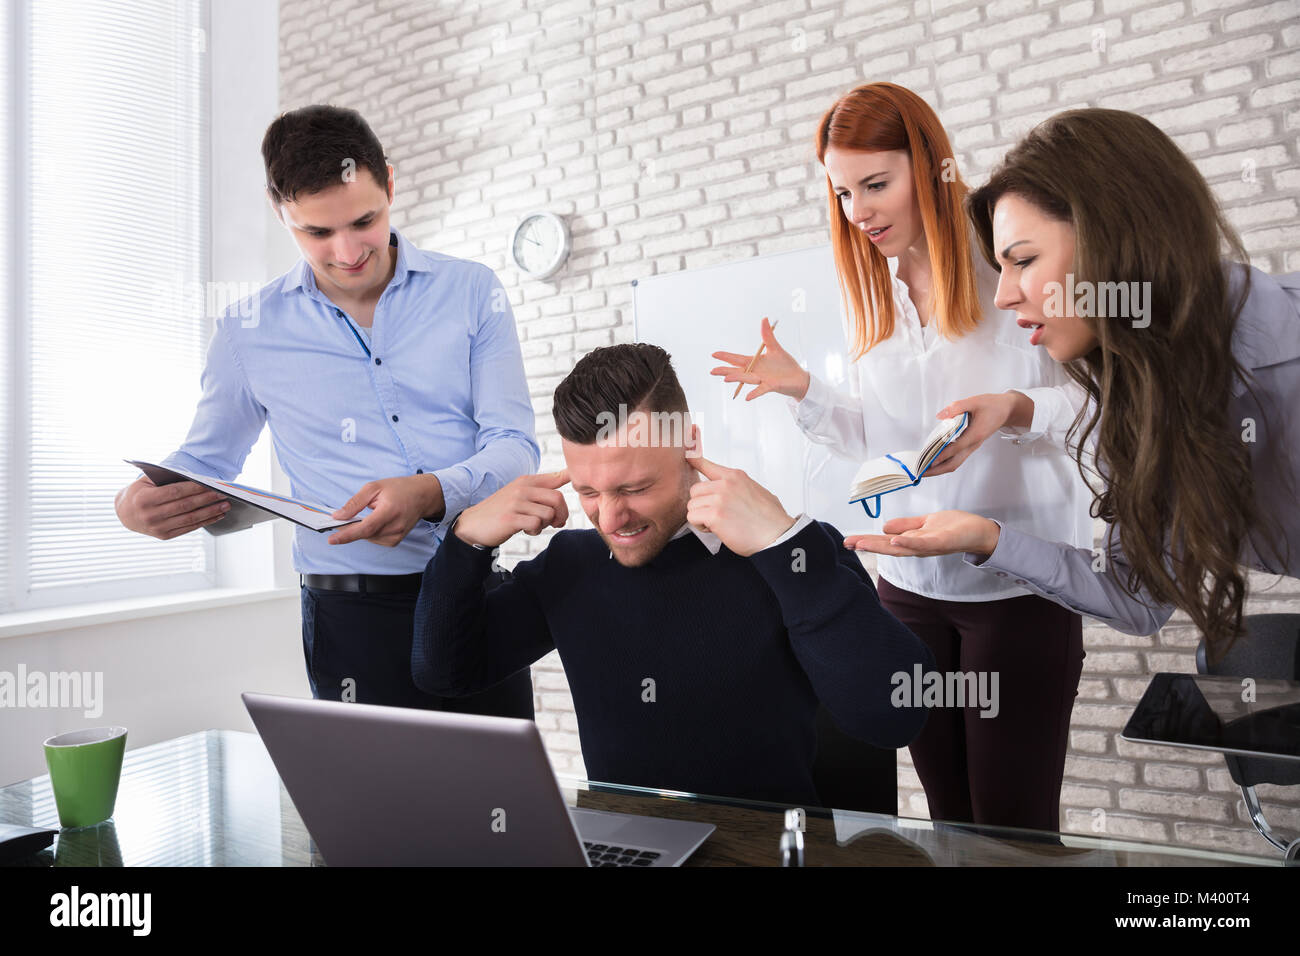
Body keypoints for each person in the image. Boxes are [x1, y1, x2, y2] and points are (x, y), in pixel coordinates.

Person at [710, 83, 1095, 831]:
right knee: (950, 822)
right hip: (909, 590)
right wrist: (804, 390)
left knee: (1013, 832)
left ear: (928, 164)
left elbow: (1099, 410)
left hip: (1015, 589)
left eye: (877, 184)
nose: (860, 212)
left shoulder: (1010, 268)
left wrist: (1012, 412)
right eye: (843, 192)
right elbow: (887, 446)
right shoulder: (875, 293)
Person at [114, 105, 538, 716]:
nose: (346, 252)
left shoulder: (473, 291)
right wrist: (136, 503)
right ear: (281, 214)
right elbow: (204, 461)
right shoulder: (247, 330)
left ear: (389, 184)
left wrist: (430, 492)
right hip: (349, 618)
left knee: (505, 802)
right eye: (316, 233)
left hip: (470, 592)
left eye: (364, 221)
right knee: (375, 809)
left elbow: (514, 444)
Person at [842, 107, 1300, 668]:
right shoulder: (1140, 398)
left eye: (1024, 261)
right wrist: (987, 538)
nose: (1005, 297)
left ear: (1116, 241)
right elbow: (1138, 597)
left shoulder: (1282, 362)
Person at [411, 344, 934, 807]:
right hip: (628, 844)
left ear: (689, 445)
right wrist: (466, 542)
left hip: (761, 852)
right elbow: (446, 673)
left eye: (634, 488)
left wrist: (785, 546)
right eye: (589, 492)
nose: (611, 520)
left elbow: (894, 715)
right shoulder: (570, 565)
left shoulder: (790, 551)